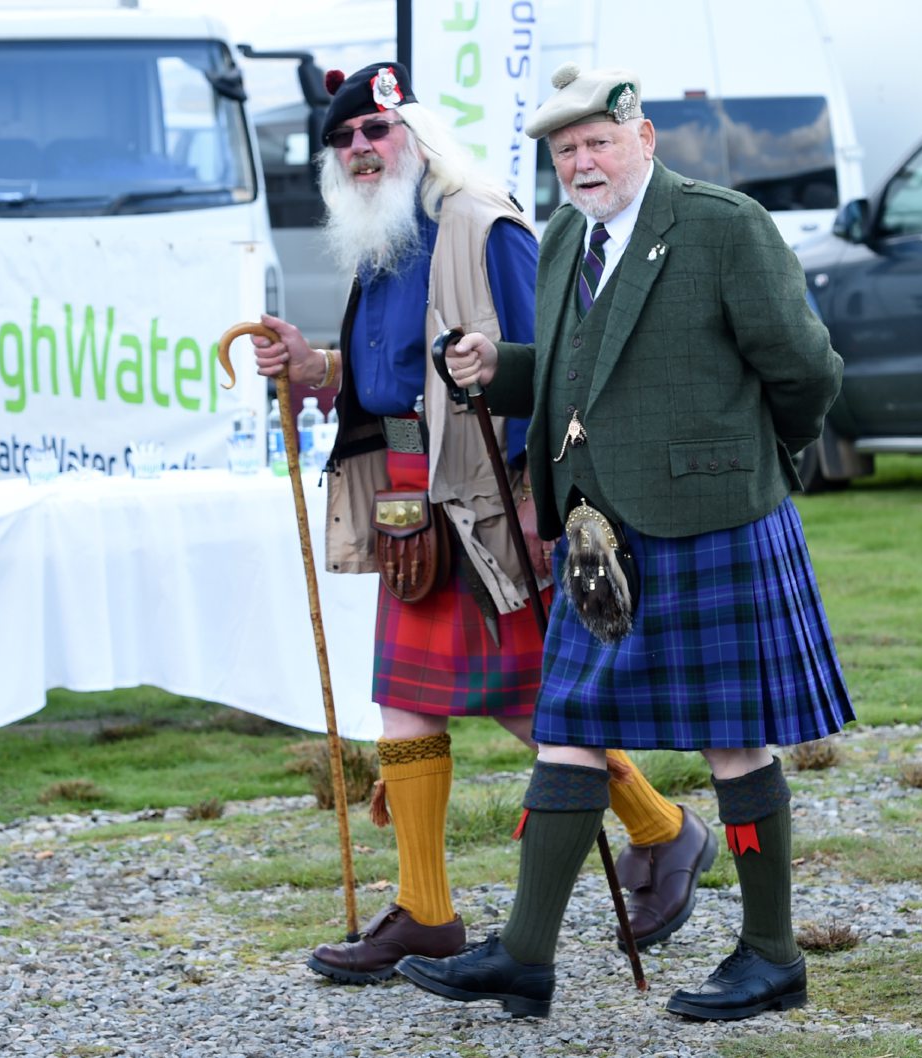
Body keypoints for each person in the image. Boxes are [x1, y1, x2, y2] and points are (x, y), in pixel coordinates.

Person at [393, 64, 854, 1021]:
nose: (582, 163)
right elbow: (574, 373)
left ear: (644, 139)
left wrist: (763, 457)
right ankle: (524, 956)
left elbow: (807, 369)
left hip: (714, 518)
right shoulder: (565, 235)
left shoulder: (721, 226)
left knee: (735, 742)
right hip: (603, 535)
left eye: (598, 142)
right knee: (565, 732)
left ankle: (772, 956)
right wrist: (498, 370)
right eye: (565, 151)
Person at [251, 62, 714, 988]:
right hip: (406, 496)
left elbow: (552, 357)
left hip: (484, 491)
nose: (359, 152)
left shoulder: (478, 219)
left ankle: (667, 830)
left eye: (374, 134)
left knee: (524, 694)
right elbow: (397, 369)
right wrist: (317, 368)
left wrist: (548, 494)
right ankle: (426, 910)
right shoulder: (380, 236)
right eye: (342, 142)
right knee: (409, 699)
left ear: (413, 137)